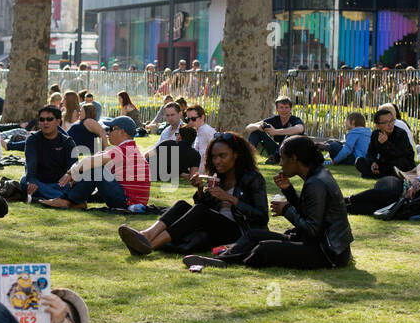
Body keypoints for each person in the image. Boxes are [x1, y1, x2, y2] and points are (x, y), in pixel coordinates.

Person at [183, 136, 352, 270]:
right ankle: (221, 260)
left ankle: (229, 261)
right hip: (322, 245)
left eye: (283, 158)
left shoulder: (316, 183)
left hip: (327, 253)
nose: (280, 163)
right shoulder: (318, 175)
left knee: (264, 249)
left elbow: (312, 229)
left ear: (294, 158)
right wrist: (289, 191)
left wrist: (286, 210)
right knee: (254, 235)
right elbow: (310, 213)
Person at [119, 131, 267, 256]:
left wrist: (229, 198)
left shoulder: (252, 178)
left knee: (200, 211)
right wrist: (200, 190)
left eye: (223, 156)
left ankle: (151, 245)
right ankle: (146, 235)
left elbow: (262, 217)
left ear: (236, 155)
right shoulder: (218, 177)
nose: (217, 161)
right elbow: (200, 210)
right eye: (214, 157)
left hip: (240, 232)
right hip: (215, 228)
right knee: (182, 205)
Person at [40, 115, 150, 210]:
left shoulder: (123, 150)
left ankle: (68, 200)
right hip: (130, 200)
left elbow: (90, 161)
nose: (108, 132)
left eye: (111, 129)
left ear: (122, 131)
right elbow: (96, 157)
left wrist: (71, 172)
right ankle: (75, 201)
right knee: (94, 166)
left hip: (127, 202)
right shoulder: (129, 149)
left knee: (95, 168)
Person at [22, 104, 77, 200]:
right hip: (39, 183)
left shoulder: (67, 142)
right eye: (42, 120)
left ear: (58, 122)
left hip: (61, 184)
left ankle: (51, 197)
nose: (45, 122)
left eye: (49, 119)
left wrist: (70, 174)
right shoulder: (32, 140)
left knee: (79, 183)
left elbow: (74, 165)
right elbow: (30, 164)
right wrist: (32, 180)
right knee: (24, 181)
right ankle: (66, 199)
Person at [245, 96, 305, 164]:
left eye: (286, 107)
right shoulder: (274, 119)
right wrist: (259, 127)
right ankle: (248, 156)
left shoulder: (295, 119)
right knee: (256, 131)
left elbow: (300, 129)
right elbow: (248, 127)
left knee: (290, 134)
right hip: (277, 151)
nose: (284, 110)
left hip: (291, 153)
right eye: (281, 107)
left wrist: (276, 132)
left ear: (290, 109)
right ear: (277, 109)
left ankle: (276, 157)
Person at [363, 106, 416, 179]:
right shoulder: (376, 134)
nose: (390, 125)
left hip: (402, 164)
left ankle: (378, 174)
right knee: (360, 161)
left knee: (396, 164)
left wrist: (386, 143)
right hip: (385, 163)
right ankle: (379, 173)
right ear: (378, 125)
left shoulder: (400, 133)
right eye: (385, 122)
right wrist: (373, 163)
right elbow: (370, 153)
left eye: (391, 121)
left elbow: (400, 154)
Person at [185, 104, 216, 172]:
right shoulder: (199, 130)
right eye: (188, 119)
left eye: (193, 119)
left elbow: (206, 155)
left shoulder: (206, 131)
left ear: (202, 117)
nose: (190, 122)